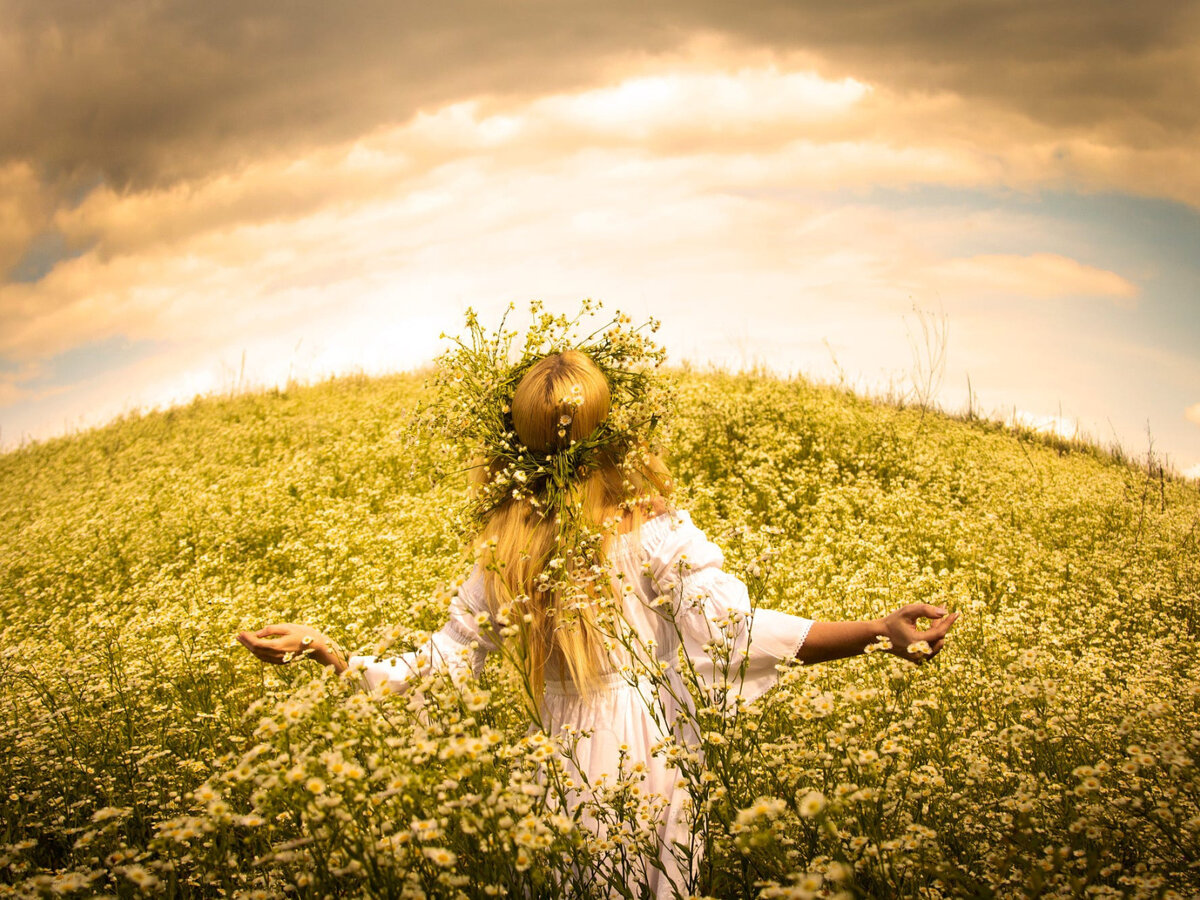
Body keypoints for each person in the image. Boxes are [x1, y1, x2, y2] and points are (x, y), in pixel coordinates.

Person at [238, 334, 959, 898]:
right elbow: (737, 638)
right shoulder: (650, 530)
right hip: (646, 753)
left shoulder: (507, 551)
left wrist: (331, 656)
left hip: (554, 763)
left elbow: (437, 670)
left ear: (517, 444)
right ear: (609, 432)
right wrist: (876, 633)